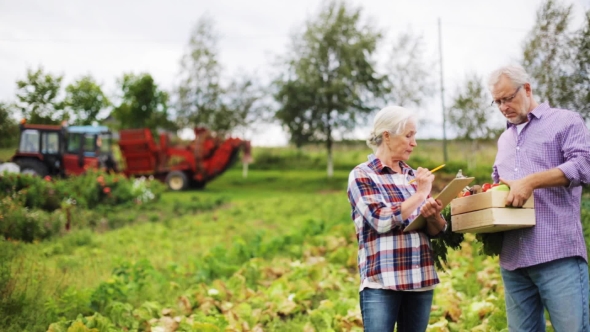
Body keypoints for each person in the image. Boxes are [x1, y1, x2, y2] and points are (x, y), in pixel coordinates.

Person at [488, 65, 590, 331]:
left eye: (508, 98)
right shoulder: (504, 140)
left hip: (557, 255)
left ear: (527, 89)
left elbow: (584, 165)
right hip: (514, 260)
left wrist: (531, 182)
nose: (503, 107)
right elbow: (499, 185)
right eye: (497, 101)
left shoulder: (565, 121)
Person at [347, 105, 447, 332]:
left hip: (419, 279)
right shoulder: (362, 175)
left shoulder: (413, 176)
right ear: (387, 136)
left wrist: (433, 216)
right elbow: (381, 220)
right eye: (409, 135)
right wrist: (421, 194)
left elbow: (437, 231)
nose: (414, 143)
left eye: (415, 136)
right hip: (382, 282)